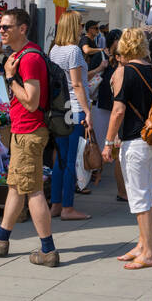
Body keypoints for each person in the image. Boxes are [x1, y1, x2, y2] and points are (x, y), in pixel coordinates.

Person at [0, 8, 60, 266]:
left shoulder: (28, 59)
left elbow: (31, 101)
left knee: (34, 191)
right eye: (1, 27)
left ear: (22, 29)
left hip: (29, 130)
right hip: (23, 130)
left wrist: (9, 77)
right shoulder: (21, 56)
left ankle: (48, 250)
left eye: (7, 27)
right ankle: (0, 239)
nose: (2, 31)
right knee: (16, 186)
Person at [104, 28, 152, 269]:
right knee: (146, 193)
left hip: (134, 139)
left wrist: (108, 142)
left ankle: (148, 252)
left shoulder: (126, 72)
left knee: (139, 197)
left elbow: (118, 111)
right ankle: (141, 244)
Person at [48, 11, 92, 221]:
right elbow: (76, 84)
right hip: (74, 109)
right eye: (81, 24)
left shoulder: (54, 50)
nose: (82, 27)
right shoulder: (73, 50)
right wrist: (88, 111)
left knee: (61, 160)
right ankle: (67, 207)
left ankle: (56, 204)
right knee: (72, 159)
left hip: (59, 110)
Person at [90, 29, 125, 200]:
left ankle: (104, 172)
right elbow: (86, 76)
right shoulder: (101, 57)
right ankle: (97, 172)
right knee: (99, 141)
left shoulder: (124, 58)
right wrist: (99, 68)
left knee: (114, 144)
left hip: (116, 106)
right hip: (101, 105)